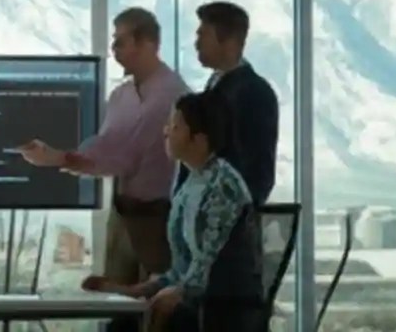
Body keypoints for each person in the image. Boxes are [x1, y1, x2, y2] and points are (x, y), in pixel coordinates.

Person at [18, 7, 188, 285]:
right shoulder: (121, 95)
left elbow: (123, 156)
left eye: (121, 41)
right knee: (117, 305)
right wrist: (62, 157)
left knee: (152, 307)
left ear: (146, 44)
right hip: (122, 214)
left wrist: (59, 159)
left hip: (158, 220)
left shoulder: (171, 95)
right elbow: (105, 145)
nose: (114, 49)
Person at [83, 93, 263, 332]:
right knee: (120, 323)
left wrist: (179, 292)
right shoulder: (190, 184)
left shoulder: (223, 186)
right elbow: (181, 269)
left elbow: (209, 265)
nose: (166, 132)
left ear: (199, 139)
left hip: (220, 307)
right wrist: (132, 291)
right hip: (200, 302)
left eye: (175, 126)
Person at [176, 1, 279, 206]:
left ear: (229, 41)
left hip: (225, 223)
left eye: (203, 35)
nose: (196, 43)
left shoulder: (254, 94)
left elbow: (257, 172)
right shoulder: (217, 86)